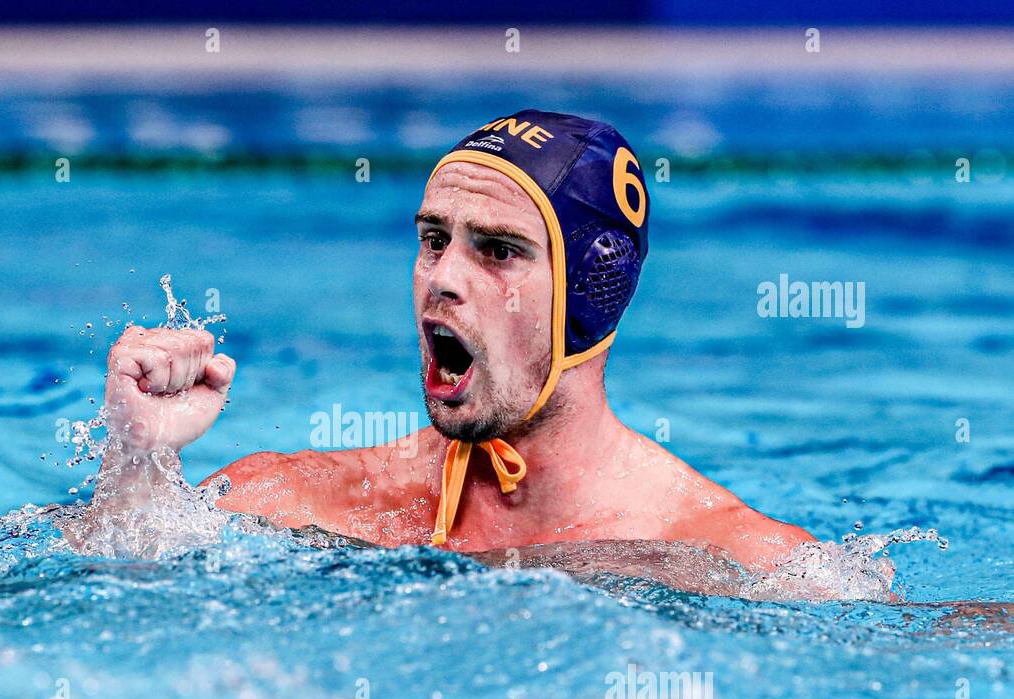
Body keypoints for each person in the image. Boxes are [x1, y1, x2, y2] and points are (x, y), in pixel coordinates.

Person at [79, 109, 816, 575]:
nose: (442, 278)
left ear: (591, 293)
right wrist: (137, 462)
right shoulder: (302, 497)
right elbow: (109, 608)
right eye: (434, 240)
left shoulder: (727, 555)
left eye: (497, 250)